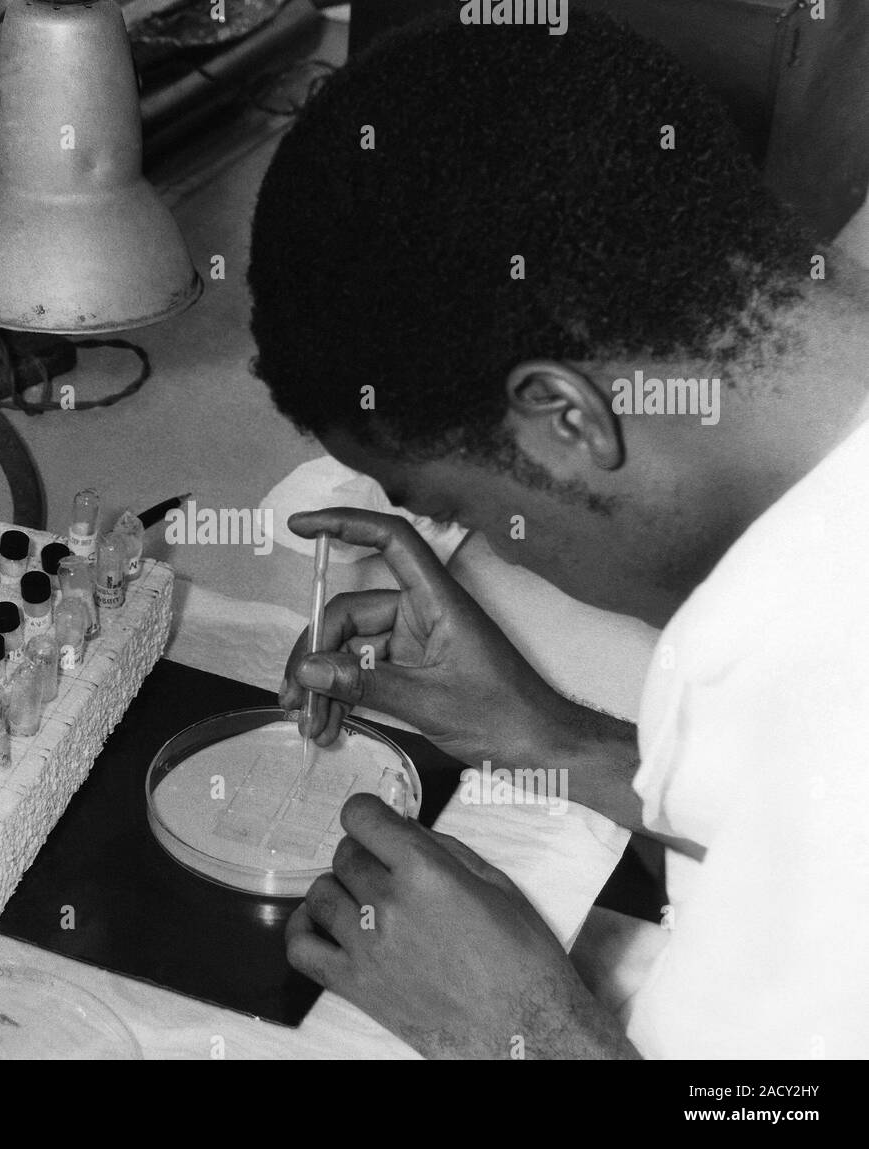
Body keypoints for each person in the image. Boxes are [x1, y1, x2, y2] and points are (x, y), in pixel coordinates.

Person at [246, 11, 869, 1058]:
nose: (492, 546)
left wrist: (519, 1025)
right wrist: (546, 741)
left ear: (566, 420)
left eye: (456, 510)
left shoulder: (810, 680)